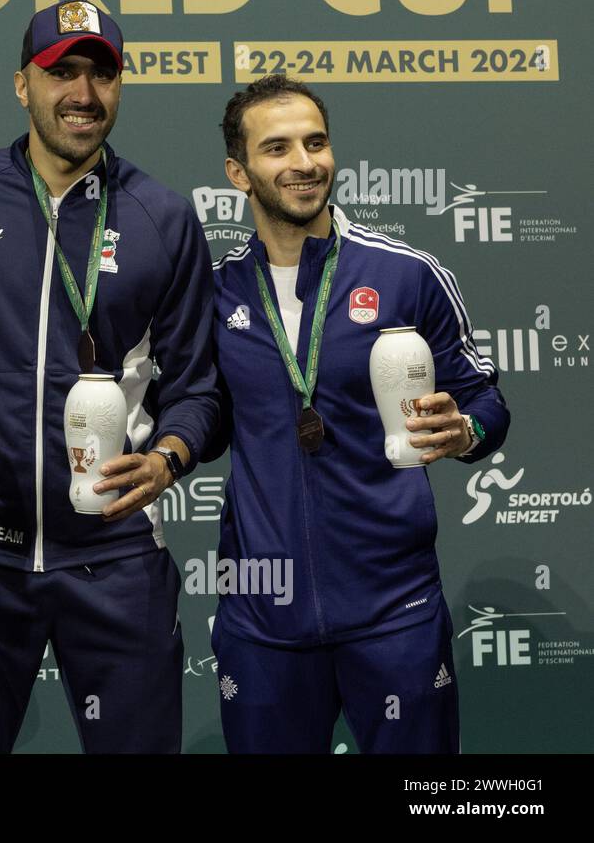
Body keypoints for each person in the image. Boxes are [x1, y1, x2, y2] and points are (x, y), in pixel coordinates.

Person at [0, 0, 220, 753]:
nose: (83, 93)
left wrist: (168, 457)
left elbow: (201, 388)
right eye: (62, 72)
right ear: (23, 84)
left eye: (101, 74)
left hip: (114, 563)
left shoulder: (161, 216)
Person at [207, 74, 509, 753]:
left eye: (316, 142)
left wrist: (467, 431)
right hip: (262, 615)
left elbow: (488, 400)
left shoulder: (408, 274)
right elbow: (198, 415)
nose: (304, 163)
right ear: (239, 172)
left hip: (393, 608)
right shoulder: (215, 290)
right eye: (278, 148)